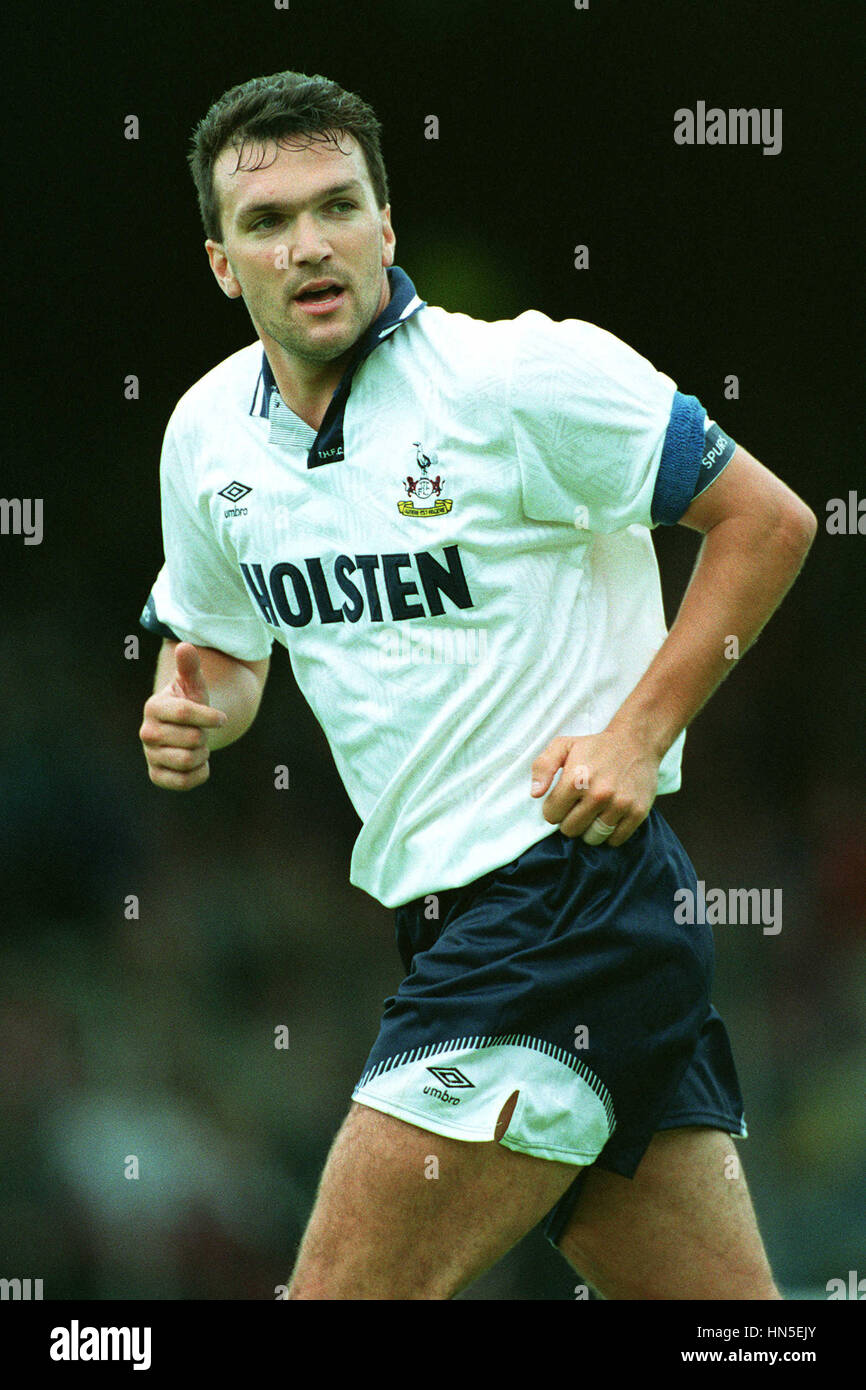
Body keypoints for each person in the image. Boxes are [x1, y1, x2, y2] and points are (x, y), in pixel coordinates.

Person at [138, 69, 816, 1300]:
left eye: (337, 206)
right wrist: (200, 710)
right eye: (267, 222)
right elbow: (228, 652)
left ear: (385, 227)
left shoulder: (516, 377)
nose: (309, 243)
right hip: (455, 923)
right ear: (220, 263)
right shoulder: (204, 439)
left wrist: (632, 732)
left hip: (563, 906)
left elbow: (765, 521)